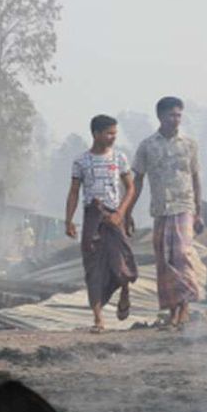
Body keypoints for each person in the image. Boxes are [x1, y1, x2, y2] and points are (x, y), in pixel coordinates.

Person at [123, 96, 203, 329]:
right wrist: (127, 211)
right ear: (160, 116)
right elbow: (137, 180)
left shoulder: (189, 145)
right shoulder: (147, 146)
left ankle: (184, 307)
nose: (175, 119)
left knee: (181, 254)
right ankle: (173, 310)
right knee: (164, 260)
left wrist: (199, 211)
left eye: (178, 115)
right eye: (171, 115)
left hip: (184, 206)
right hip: (160, 209)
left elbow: (196, 177)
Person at [66, 115, 138, 332]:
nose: (112, 137)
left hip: (115, 216)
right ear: (96, 134)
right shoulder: (81, 161)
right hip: (92, 217)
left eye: (115, 134)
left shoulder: (119, 158)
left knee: (121, 261)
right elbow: (74, 192)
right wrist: (69, 220)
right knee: (93, 267)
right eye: (108, 133)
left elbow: (130, 188)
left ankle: (125, 291)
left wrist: (121, 213)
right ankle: (98, 319)